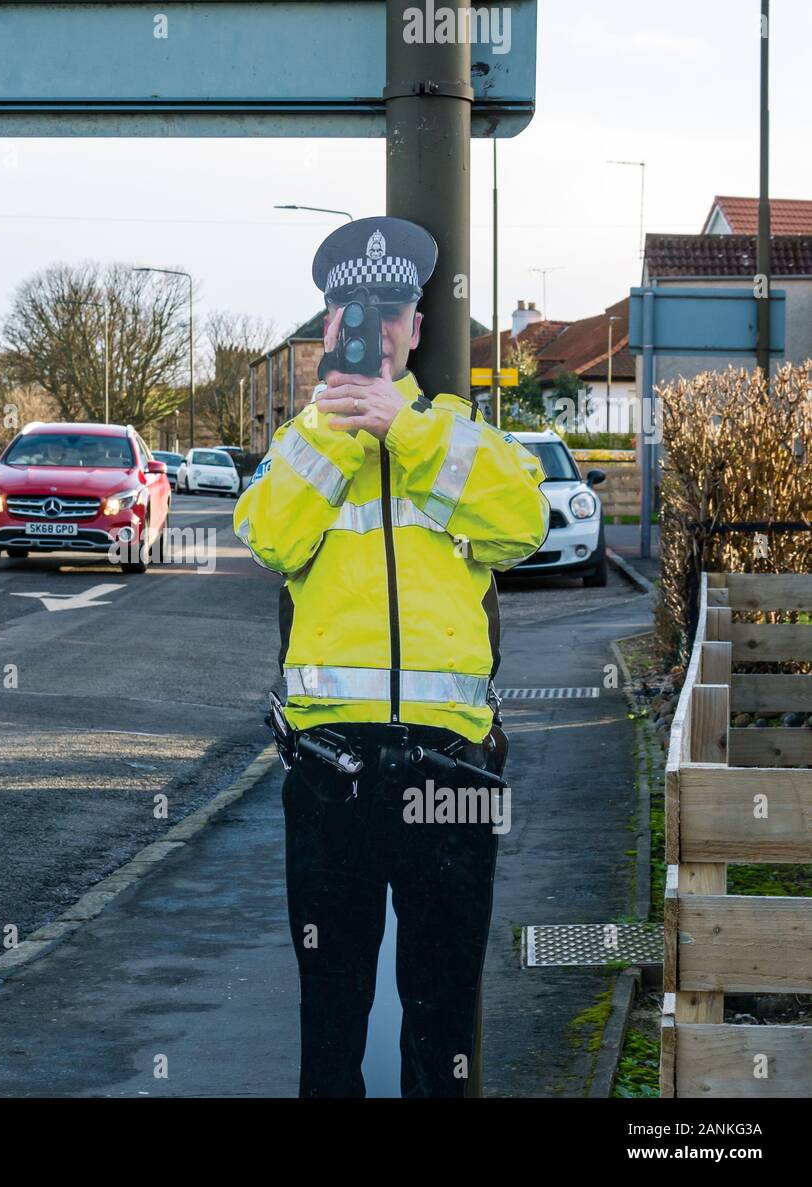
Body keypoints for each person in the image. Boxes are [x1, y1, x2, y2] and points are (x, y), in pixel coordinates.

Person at [233, 216, 550, 1098]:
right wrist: (338, 427)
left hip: (450, 770)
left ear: (416, 327)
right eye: (350, 315)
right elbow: (266, 538)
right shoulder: (300, 445)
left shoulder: (460, 437)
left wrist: (404, 432)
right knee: (329, 1027)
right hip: (332, 771)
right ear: (331, 327)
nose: (375, 330)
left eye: (392, 313)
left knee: (443, 1019)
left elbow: (523, 524)